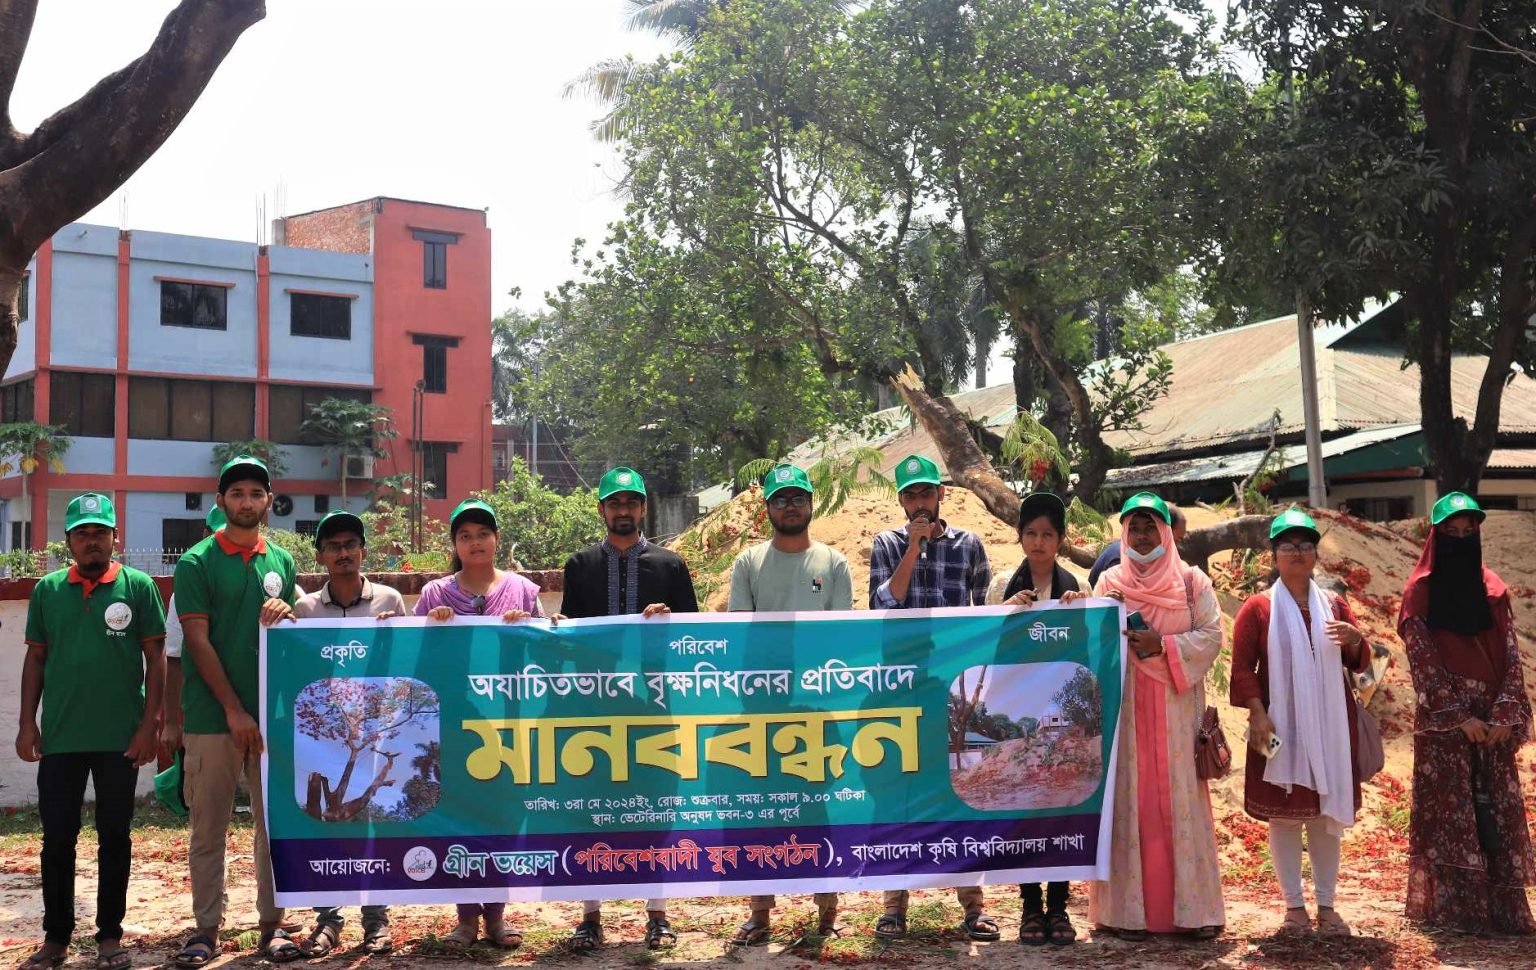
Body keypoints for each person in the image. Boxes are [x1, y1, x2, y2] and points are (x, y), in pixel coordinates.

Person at [15, 493, 167, 970]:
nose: (92, 540)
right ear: (69, 542)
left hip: (121, 739)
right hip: (60, 737)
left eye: (100, 531)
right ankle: (56, 938)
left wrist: (150, 725)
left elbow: (157, 657)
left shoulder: (138, 586)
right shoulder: (48, 590)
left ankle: (109, 938)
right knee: (57, 839)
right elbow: (36, 657)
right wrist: (26, 723)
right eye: (83, 532)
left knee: (114, 837)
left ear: (114, 536)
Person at [559, 467, 696, 951]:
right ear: (602, 510)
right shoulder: (579, 565)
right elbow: (571, 639)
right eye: (614, 503)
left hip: (654, 711)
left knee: (655, 811)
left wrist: (670, 621)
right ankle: (590, 915)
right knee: (592, 810)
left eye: (631, 503)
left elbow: (691, 641)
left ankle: (657, 913)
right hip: (594, 712)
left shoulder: (671, 566)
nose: (623, 510)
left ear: (643, 509)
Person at [172, 456, 302, 966]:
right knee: (209, 828)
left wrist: (287, 611)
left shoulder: (282, 562)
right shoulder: (197, 562)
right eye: (237, 493)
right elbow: (197, 642)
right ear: (221, 501)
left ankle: (273, 926)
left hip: (270, 717)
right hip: (211, 719)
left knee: (272, 826)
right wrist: (232, 709)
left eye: (255, 493)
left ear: (268, 501)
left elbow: (287, 637)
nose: (246, 502)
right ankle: (206, 930)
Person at [867, 454, 998, 942]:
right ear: (901, 501)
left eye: (926, 492)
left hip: (950, 690)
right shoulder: (886, 544)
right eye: (910, 495)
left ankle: (973, 906)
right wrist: (912, 550)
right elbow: (883, 603)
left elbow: (982, 615)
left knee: (958, 790)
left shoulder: (970, 545)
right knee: (899, 795)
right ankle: (894, 905)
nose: (920, 502)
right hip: (899, 689)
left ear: (942, 494)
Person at [727, 464, 852, 945]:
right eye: (780, 499)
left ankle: (827, 912)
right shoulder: (748, 563)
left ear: (811, 504)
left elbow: (839, 637)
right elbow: (741, 631)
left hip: (818, 709)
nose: (790, 506)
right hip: (760, 708)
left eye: (798, 497)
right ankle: (760, 912)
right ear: (768, 510)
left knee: (817, 809)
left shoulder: (834, 562)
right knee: (761, 808)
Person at [1090, 491, 1224, 940]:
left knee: (1180, 801)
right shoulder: (1109, 583)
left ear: (1166, 531)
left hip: (1176, 712)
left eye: (1151, 525)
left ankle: (1194, 912)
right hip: (1126, 714)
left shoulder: (1192, 583)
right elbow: (1094, 643)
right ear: (1124, 533)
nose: (1143, 535)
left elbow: (1212, 636)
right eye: (1135, 527)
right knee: (1132, 799)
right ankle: (1127, 914)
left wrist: (1161, 647)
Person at [1398, 492, 1534, 935]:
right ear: (1436, 538)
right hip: (1445, 726)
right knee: (1452, 814)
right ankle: (1458, 912)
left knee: (1495, 811)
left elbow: (1512, 656)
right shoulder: (1419, 593)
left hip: (1492, 724)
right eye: (1451, 533)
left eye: (1468, 531)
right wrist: (1460, 717)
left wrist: (1504, 716)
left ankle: (1502, 911)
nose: (1461, 538)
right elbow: (1423, 661)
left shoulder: (1493, 589)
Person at [1230, 507, 1369, 937]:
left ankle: (1327, 906)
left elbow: (1364, 672)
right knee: (1284, 816)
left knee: (1326, 816)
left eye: (1305, 545)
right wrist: (1256, 713)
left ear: (1315, 554)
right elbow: (1242, 668)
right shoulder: (1257, 609)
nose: (1296, 553)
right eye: (1287, 546)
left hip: (1330, 727)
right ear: (1273, 555)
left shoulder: (1335, 604)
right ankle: (1293, 908)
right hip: (1276, 729)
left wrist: (1356, 640)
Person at [414, 498, 546, 951]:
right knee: (462, 815)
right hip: (455, 725)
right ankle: (465, 919)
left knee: (502, 816)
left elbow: (549, 650)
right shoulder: (434, 595)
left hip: (509, 725)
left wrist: (528, 626)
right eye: (465, 535)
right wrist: (432, 628)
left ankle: (496, 916)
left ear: (496, 540)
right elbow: (416, 661)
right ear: (455, 544)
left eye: (483, 534)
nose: (475, 542)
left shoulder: (524, 591)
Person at [293, 510, 407, 957]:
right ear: (321, 556)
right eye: (333, 546)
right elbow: (297, 671)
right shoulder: (305, 610)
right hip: (322, 739)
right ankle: (328, 920)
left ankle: (376, 920)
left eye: (350, 545)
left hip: (373, 738)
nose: (343, 553)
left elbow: (405, 666)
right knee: (323, 820)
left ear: (362, 551)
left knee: (372, 823)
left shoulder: (390, 601)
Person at [994, 492, 1088, 946]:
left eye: (1048, 534)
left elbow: (1088, 651)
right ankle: (1030, 907)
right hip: (1022, 710)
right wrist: (1008, 614)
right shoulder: (1001, 586)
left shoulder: (1076, 588)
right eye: (1030, 533)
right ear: (1020, 537)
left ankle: (1060, 908)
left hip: (1062, 714)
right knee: (1024, 806)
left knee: (1061, 806)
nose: (1038, 542)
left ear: (1061, 540)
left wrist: (1078, 613)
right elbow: (983, 645)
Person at [160, 507, 224, 760]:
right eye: (218, 537)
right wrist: (172, 723)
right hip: (205, 719)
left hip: (260, 716)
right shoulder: (185, 593)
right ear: (205, 534)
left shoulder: (264, 585)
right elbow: (173, 660)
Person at [1088, 505, 1186, 590]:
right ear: (1167, 532)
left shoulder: (1188, 576)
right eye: (1133, 529)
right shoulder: (1121, 563)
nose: (1141, 536)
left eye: (1150, 528)